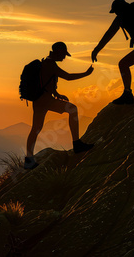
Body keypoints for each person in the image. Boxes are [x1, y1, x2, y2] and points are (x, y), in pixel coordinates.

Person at [24, 42, 94, 170]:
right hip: (45, 101)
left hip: (39, 101)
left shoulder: (46, 63)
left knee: (36, 129)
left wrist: (56, 93)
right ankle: (77, 144)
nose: (64, 57)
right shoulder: (50, 65)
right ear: (58, 51)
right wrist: (86, 74)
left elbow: (45, 82)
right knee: (73, 109)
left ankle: (28, 159)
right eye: (63, 54)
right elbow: (67, 77)